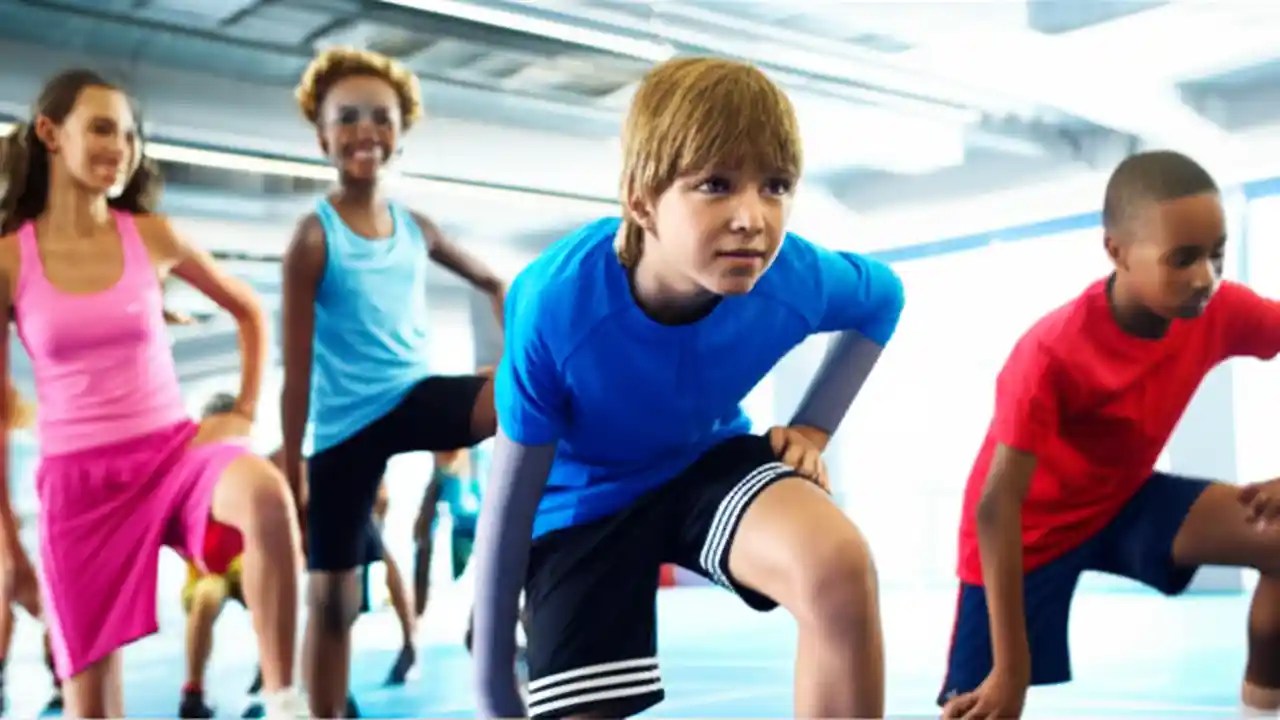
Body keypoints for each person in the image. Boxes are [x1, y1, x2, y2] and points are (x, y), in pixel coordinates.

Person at [472, 56, 906, 719]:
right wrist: (495, 689)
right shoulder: (555, 307)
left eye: (776, 186)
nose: (751, 217)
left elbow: (885, 299)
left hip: (704, 461)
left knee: (837, 564)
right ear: (643, 200)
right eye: (716, 184)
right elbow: (507, 511)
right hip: (579, 502)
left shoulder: (793, 278)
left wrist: (814, 427)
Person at [0, 69, 303, 718]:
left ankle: (287, 702)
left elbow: (250, 309)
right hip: (78, 490)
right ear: (50, 134)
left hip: (173, 456)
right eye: (103, 127)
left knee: (265, 495)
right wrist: (8, 544)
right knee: (91, 705)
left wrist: (243, 414)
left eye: (132, 135)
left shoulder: (152, 235)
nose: (122, 147)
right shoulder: (8, 261)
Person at [939, 150, 1280, 719]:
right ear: (1115, 252)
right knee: (983, 706)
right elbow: (998, 507)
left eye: (1216, 255)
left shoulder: (1218, 310)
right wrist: (1012, 669)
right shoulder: (1050, 352)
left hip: (1121, 501)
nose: (1206, 277)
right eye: (1182, 259)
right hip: (1023, 533)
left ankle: (1264, 710)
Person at [280, 46, 505, 717]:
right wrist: (294, 471)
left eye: (380, 117)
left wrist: (511, 343)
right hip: (345, 424)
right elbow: (296, 372)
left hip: (412, 396)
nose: (365, 132)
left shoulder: (416, 227)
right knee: (334, 601)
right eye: (347, 118)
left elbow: (496, 281)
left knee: (515, 396)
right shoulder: (312, 239)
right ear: (323, 136)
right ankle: (321, 708)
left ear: (400, 131)